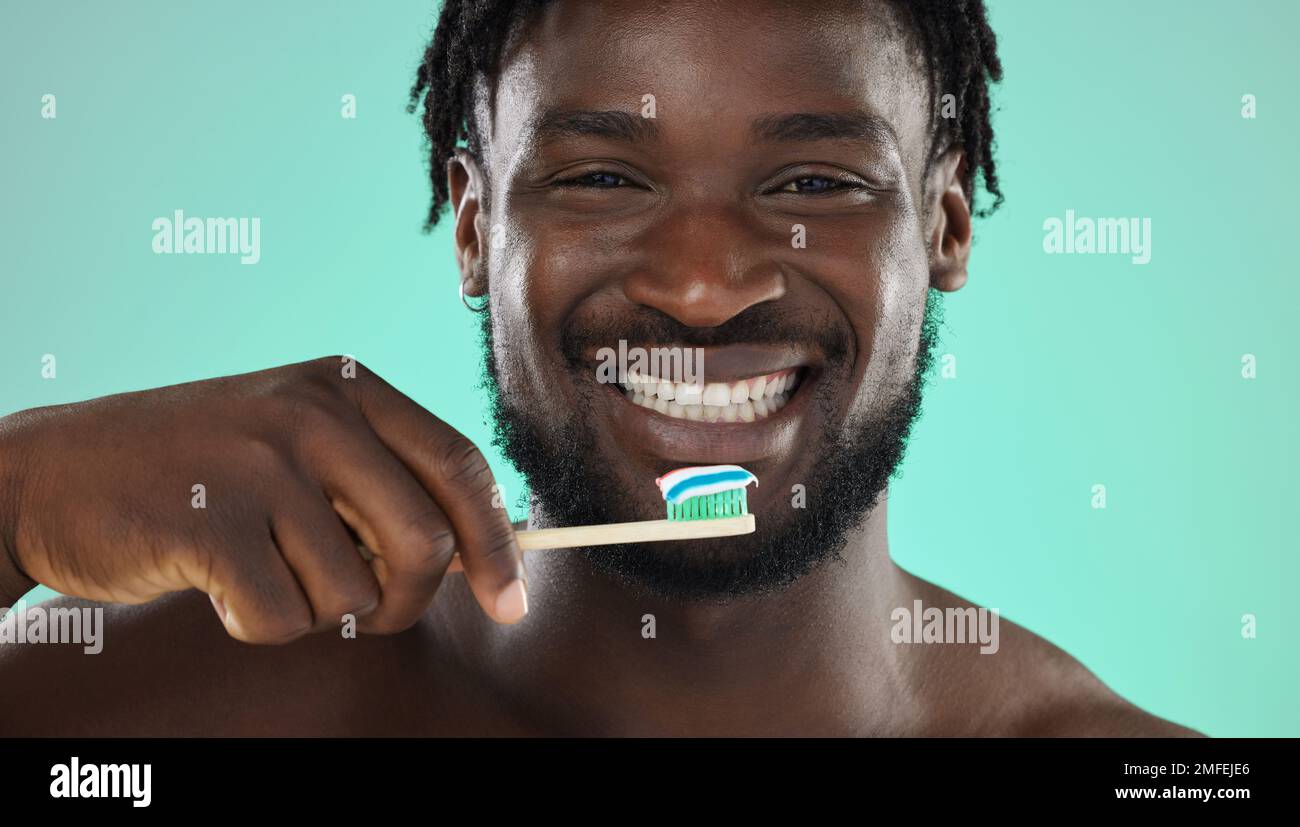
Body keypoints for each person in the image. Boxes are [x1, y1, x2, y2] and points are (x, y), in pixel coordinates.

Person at [0, 0, 1201, 736]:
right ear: (476, 229)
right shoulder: (125, 717)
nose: (703, 283)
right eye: (603, 178)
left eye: (814, 183)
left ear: (943, 226)